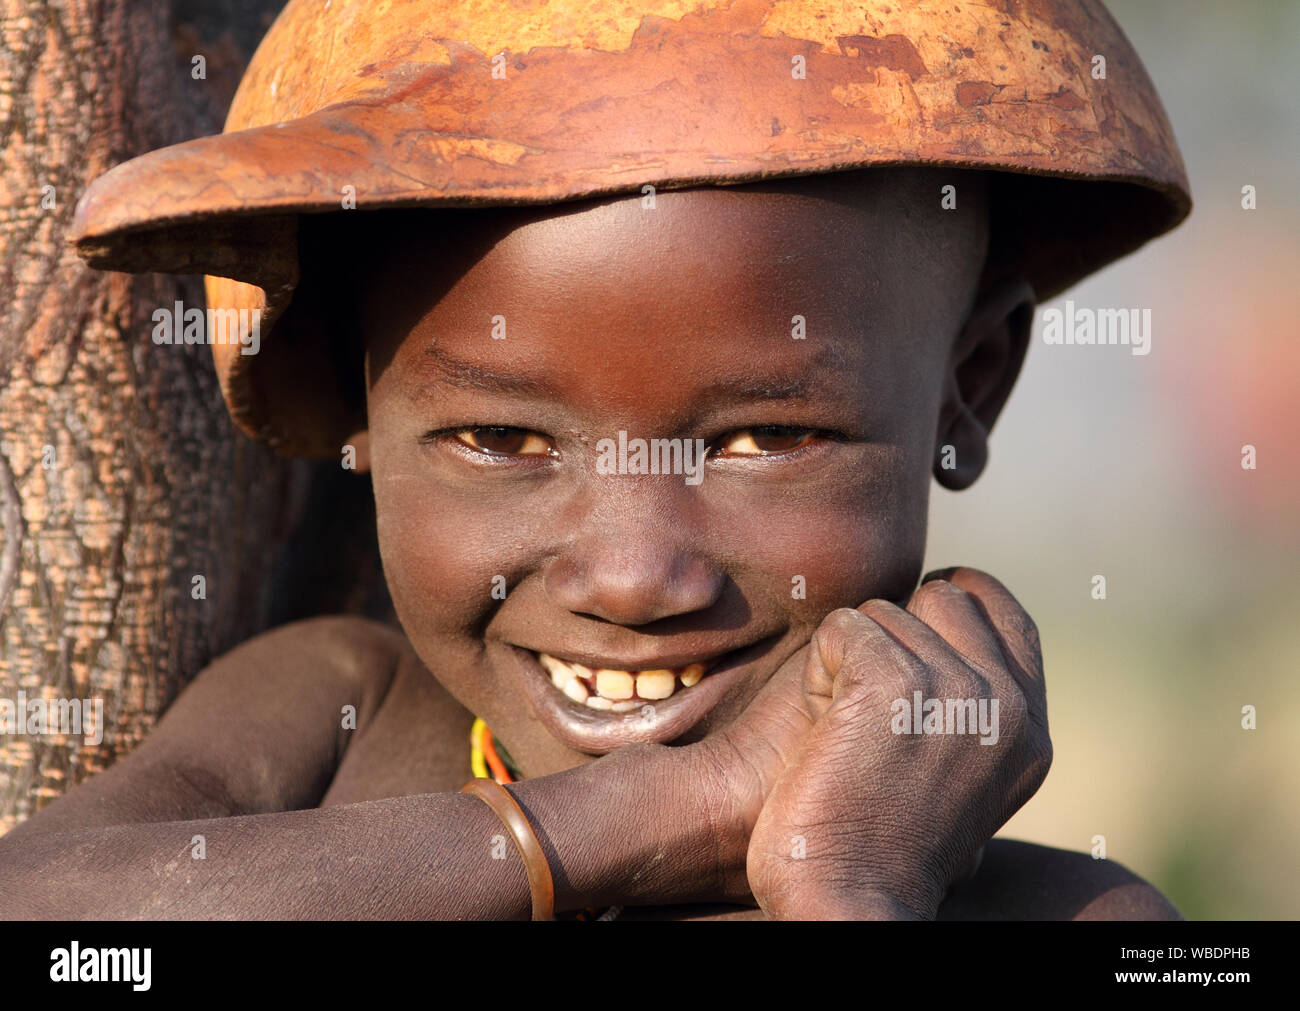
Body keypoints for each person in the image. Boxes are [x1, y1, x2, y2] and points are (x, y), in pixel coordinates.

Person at [0, 0, 1190, 919]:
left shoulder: (1069, 913)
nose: (632, 580)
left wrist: (844, 888)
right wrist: (662, 813)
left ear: (968, 387)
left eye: (765, 438)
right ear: (346, 390)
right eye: (501, 438)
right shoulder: (334, 717)